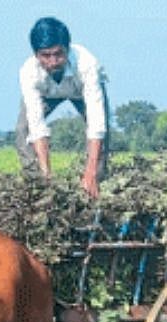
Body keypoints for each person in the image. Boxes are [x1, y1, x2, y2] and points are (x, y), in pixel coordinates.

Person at [15, 16, 110, 198]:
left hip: (80, 91)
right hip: (47, 93)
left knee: (102, 135)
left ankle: (94, 184)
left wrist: (90, 172)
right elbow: (37, 126)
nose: (53, 62)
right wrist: (46, 174)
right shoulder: (28, 72)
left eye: (59, 54)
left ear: (68, 49)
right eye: (46, 56)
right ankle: (39, 185)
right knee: (22, 130)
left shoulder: (87, 64)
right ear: (36, 55)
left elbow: (96, 125)